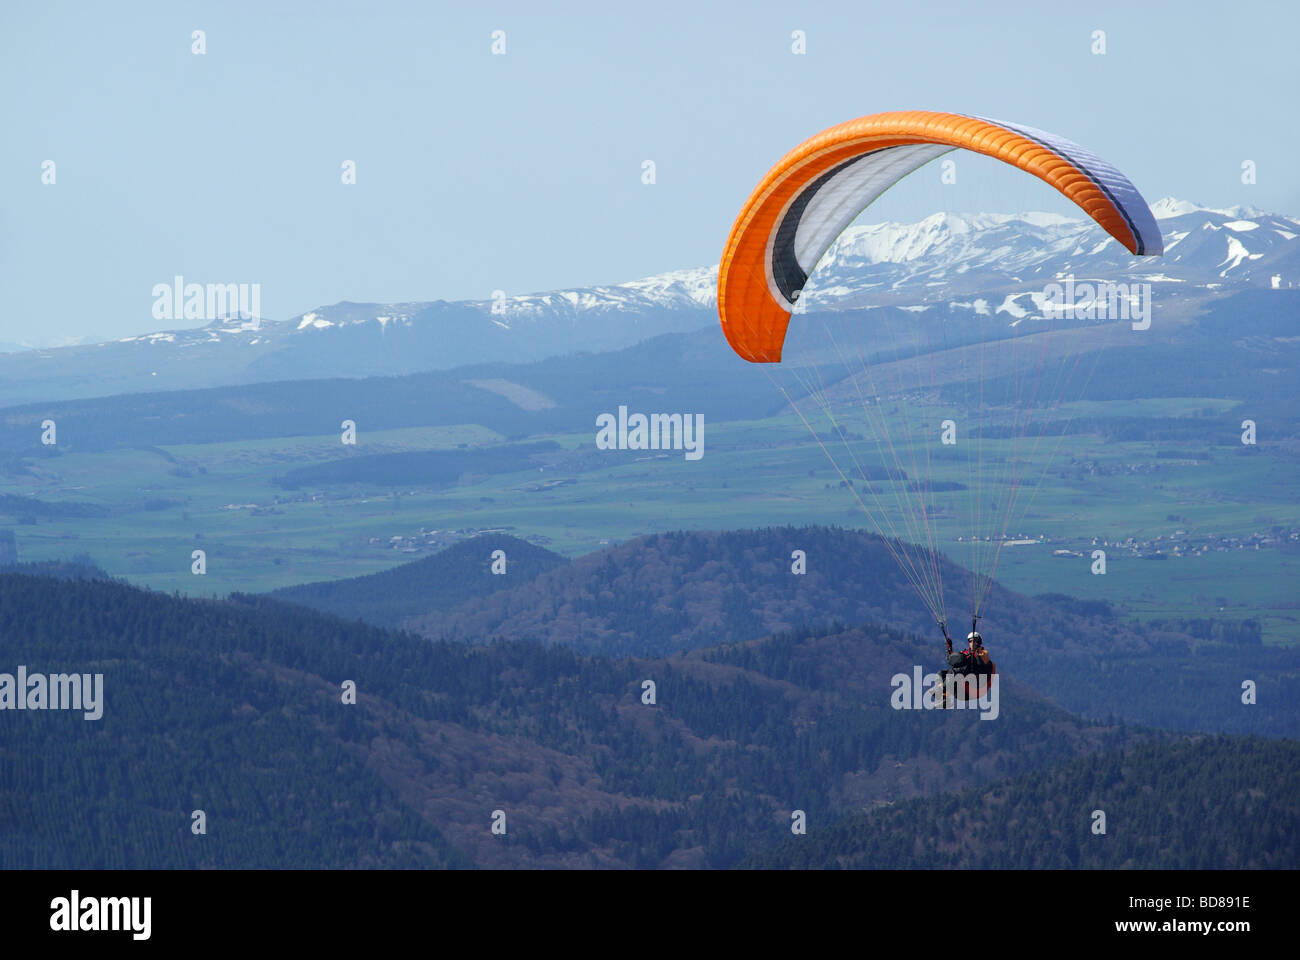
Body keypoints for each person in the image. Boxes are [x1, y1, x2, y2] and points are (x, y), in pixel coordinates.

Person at [938, 622, 996, 705]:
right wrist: (949, 649)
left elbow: (982, 666)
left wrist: (975, 654)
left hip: (973, 688)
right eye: (970, 641)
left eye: (975, 640)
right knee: (941, 673)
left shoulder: (983, 654)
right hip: (961, 690)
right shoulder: (966, 653)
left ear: (979, 642)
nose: (972, 642)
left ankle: (942, 689)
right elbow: (953, 662)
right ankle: (944, 698)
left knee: (954, 673)